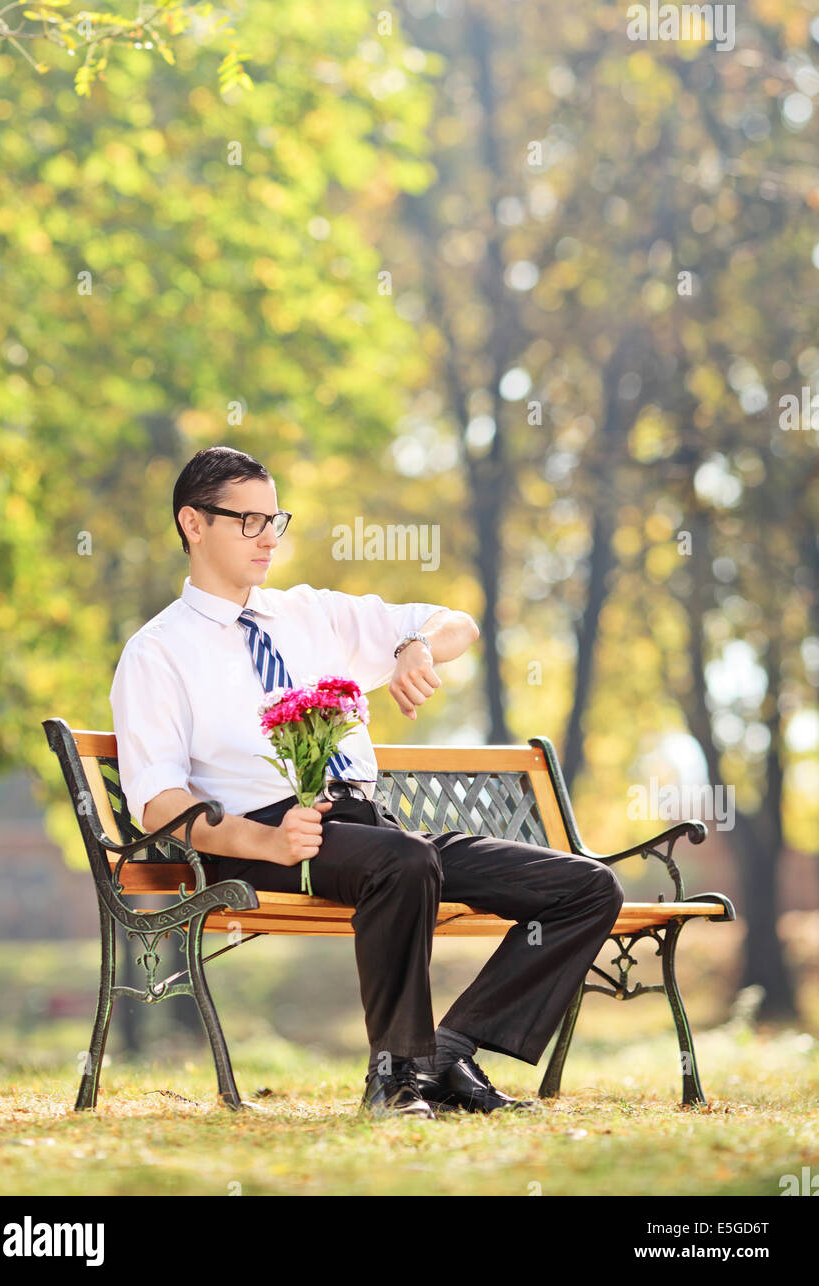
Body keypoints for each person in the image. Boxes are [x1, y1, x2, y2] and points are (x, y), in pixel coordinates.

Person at [110, 445, 624, 1120]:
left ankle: (448, 1049)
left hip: (364, 834)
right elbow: (158, 802)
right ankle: (394, 1076)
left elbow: (458, 625)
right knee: (403, 861)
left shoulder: (311, 614)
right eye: (249, 521)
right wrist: (267, 840)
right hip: (256, 840)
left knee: (586, 886)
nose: (269, 538)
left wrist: (414, 645)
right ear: (193, 524)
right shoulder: (158, 652)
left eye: (276, 520)